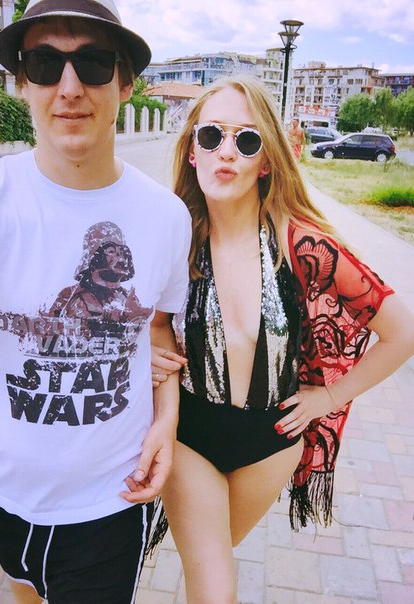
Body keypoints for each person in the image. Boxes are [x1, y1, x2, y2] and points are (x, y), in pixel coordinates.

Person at [149, 75, 414, 604]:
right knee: (216, 590)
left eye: (247, 140)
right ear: (193, 151)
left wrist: (328, 397)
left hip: (271, 443)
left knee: (216, 560)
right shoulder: (176, 238)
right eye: (211, 136)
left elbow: (401, 333)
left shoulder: (303, 246)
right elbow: (153, 321)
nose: (227, 152)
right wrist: (153, 354)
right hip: (190, 435)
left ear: (266, 161)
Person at [0, 1, 191, 602]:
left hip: (109, 500)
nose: (69, 88)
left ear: (125, 82)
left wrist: (166, 421)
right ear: (21, 82)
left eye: (92, 63)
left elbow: (159, 330)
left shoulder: (166, 217)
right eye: (44, 63)